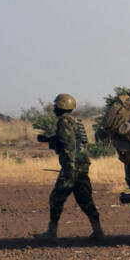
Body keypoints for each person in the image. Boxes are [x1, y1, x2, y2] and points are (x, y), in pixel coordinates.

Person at [34, 93, 102, 241]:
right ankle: (98, 230)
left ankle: (51, 232)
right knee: (85, 199)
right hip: (82, 165)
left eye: (55, 106)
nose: (53, 108)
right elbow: (72, 141)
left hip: (72, 167)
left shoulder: (63, 121)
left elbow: (69, 145)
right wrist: (48, 139)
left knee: (56, 198)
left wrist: (69, 168)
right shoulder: (75, 121)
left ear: (61, 106)